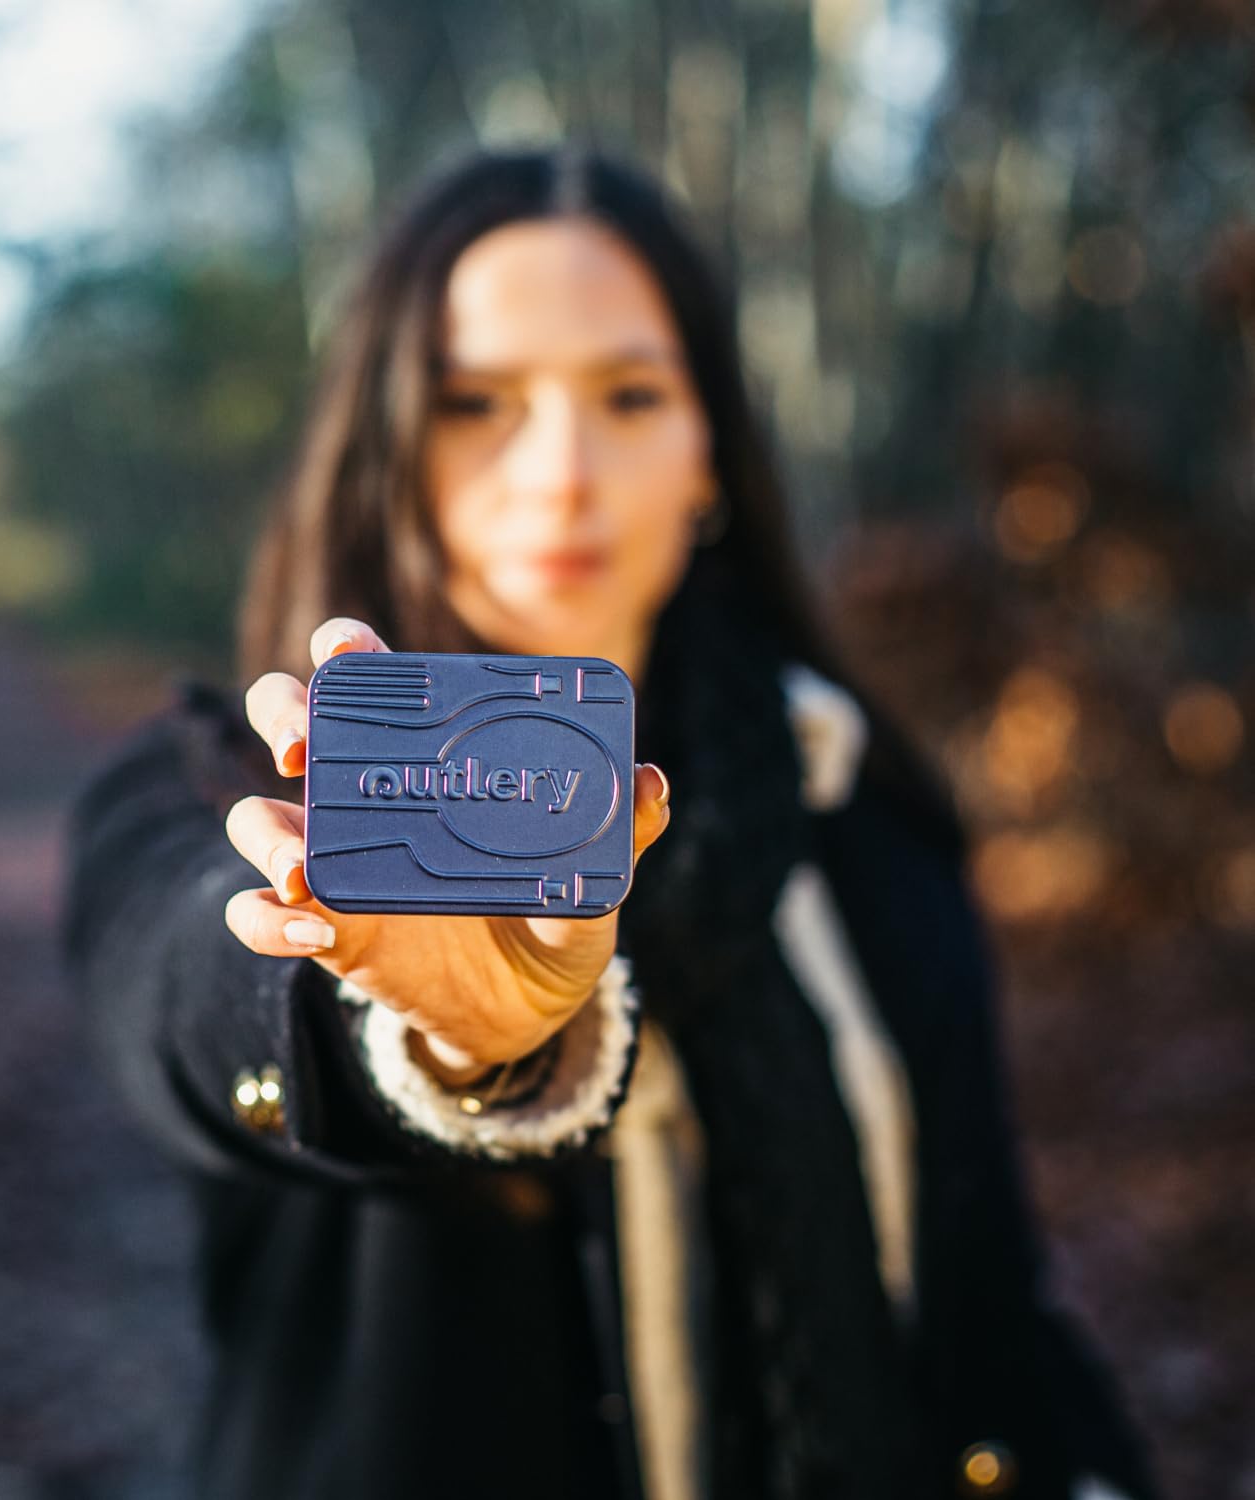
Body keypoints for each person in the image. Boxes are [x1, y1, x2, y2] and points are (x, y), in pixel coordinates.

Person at [60, 146, 1158, 1500]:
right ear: (385, 447)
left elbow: (986, 1291)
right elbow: (188, 999)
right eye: (477, 402)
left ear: (709, 455)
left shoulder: (854, 799)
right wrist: (448, 1039)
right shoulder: (225, 791)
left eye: (630, 394)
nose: (562, 470)